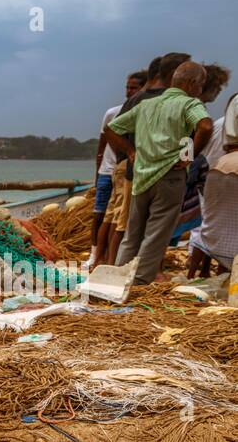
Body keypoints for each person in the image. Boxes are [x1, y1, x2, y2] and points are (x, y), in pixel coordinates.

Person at [107, 61, 214, 284]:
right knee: (156, 234)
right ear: (191, 83)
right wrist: (188, 155)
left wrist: (130, 151)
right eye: (201, 85)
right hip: (169, 176)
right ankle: (138, 284)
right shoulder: (189, 103)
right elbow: (205, 126)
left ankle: (117, 281)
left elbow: (112, 128)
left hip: (141, 176)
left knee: (132, 233)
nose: (201, 90)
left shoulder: (147, 104)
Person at [106, 54, 190, 265]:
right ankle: (126, 270)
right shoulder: (173, 102)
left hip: (137, 172)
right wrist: (129, 153)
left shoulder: (140, 99)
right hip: (152, 175)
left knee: (130, 227)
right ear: (175, 74)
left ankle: (118, 268)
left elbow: (114, 131)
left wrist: (128, 154)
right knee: (139, 227)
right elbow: (114, 131)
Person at [91, 69, 146, 267]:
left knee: (111, 215)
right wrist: (127, 154)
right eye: (128, 87)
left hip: (119, 169)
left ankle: (103, 259)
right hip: (116, 170)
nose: (129, 91)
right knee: (109, 216)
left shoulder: (135, 110)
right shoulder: (116, 112)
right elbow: (105, 140)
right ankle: (100, 258)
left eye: (134, 87)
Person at [188, 92, 238, 277]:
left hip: (215, 169)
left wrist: (187, 160)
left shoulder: (219, 122)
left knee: (211, 223)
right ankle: (225, 272)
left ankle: (194, 273)